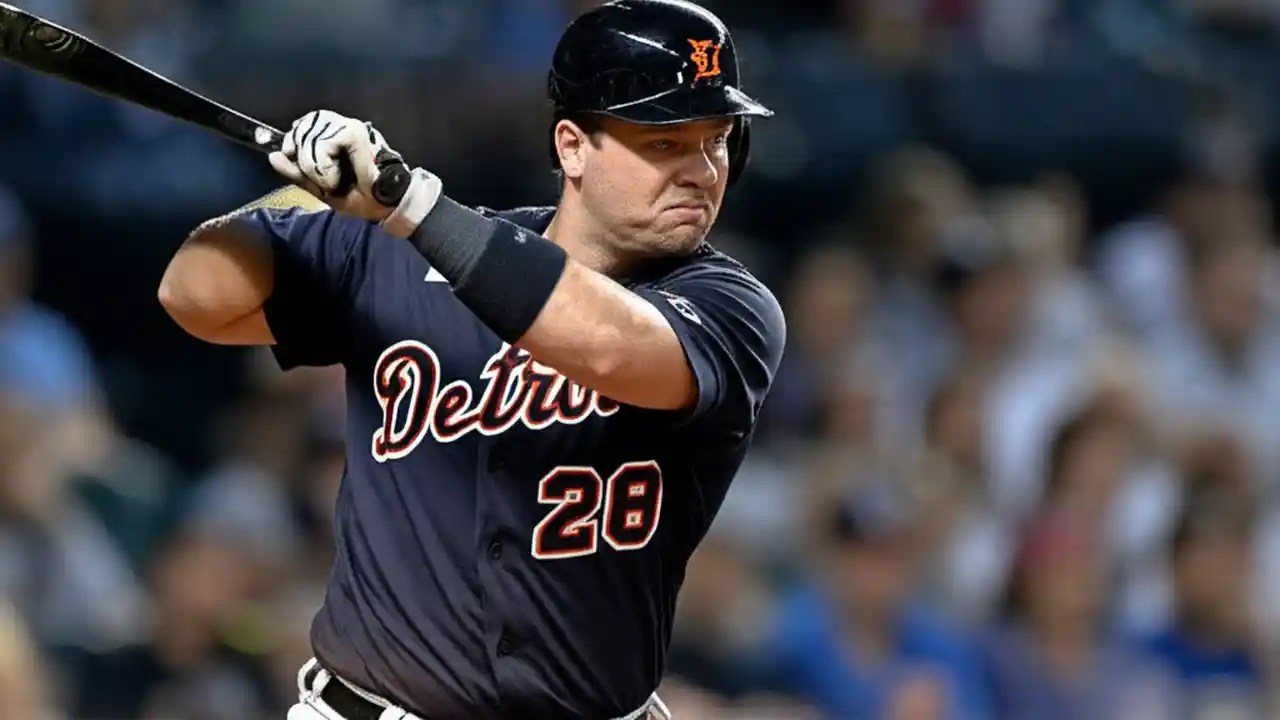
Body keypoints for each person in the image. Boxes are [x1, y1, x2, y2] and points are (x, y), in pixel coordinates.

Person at [156, 2, 785, 719]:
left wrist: (408, 203)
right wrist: (306, 185)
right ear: (573, 146)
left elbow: (610, 344)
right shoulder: (400, 249)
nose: (702, 171)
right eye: (666, 143)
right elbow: (192, 294)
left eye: (717, 140)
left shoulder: (731, 303)